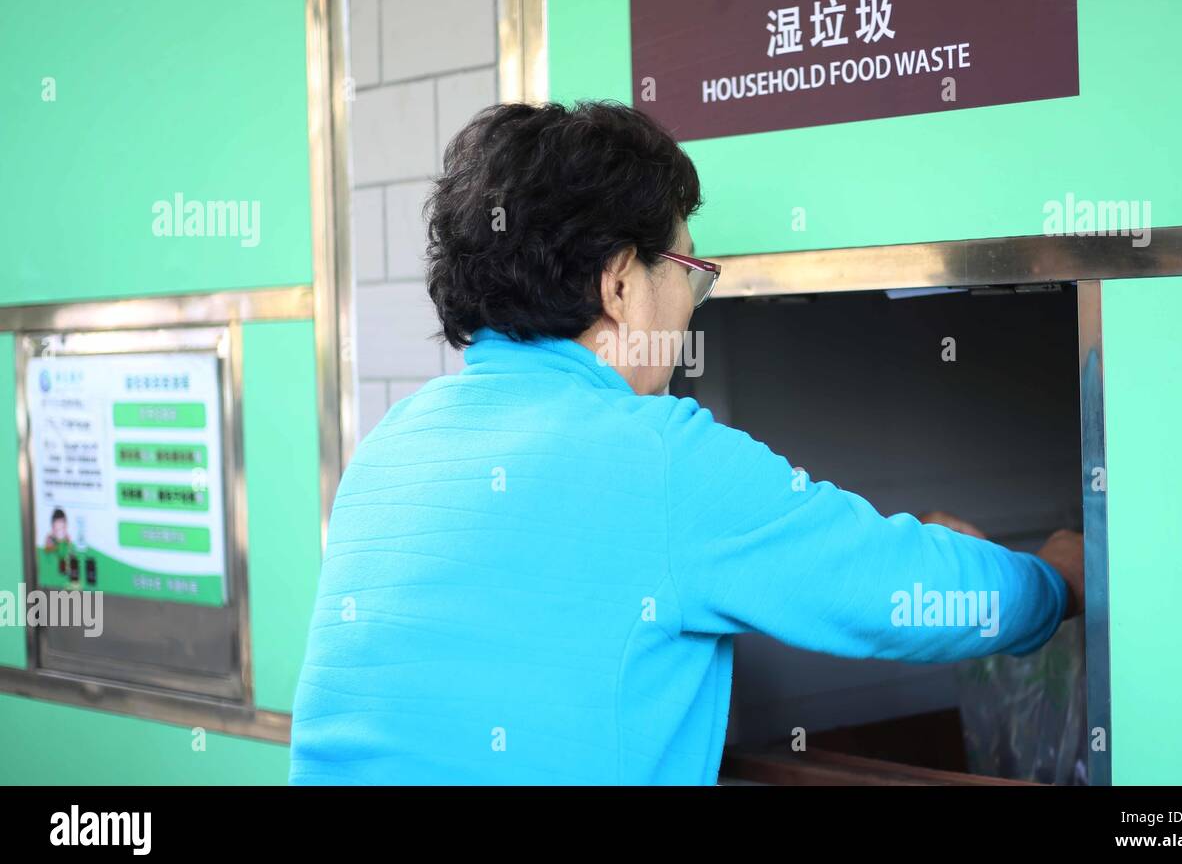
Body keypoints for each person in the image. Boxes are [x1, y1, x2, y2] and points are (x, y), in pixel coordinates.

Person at [289, 101, 1084, 785]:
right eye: (689, 272)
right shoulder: (655, 457)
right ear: (621, 283)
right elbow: (889, 594)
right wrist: (1054, 582)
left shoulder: (393, 443)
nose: (693, 307)